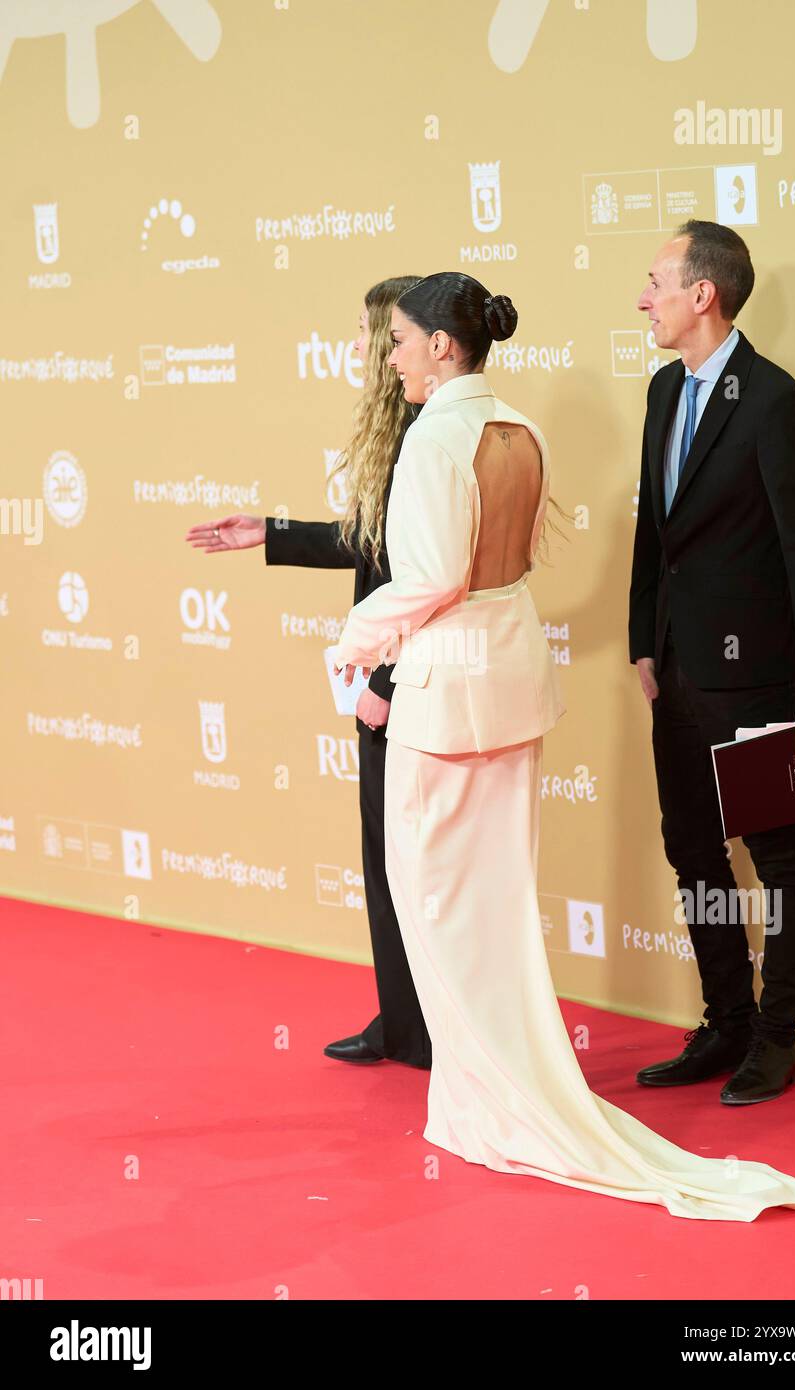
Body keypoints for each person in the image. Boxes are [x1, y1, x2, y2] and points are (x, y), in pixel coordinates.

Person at [330, 270, 795, 1221]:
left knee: (443, 906)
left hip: (462, 698)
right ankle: (520, 1084)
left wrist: (353, 646)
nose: (388, 357)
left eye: (397, 341)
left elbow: (436, 575)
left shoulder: (439, 436)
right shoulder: (520, 427)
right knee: (500, 906)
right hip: (520, 685)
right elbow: (542, 562)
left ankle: (507, 1096)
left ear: (444, 344)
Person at [185, 275, 432, 1070]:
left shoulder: (430, 436)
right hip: (391, 679)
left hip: (411, 682)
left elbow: (428, 579)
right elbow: (369, 543)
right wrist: (271, 531)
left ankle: (432, 1034)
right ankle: (404, 1024)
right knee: (385, 861)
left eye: (380, 337)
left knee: (413, 864)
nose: (368, 352)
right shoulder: (401, 432)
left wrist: (385, 684)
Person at [629, 220, 795, 1104]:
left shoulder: (771, 401)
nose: (642, 298)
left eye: (654, 282)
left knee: (777, 859)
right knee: (693, 851)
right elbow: (657, 528)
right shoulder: (657, 392)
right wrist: (644, 637)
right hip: (678, 672)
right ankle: (723, 1022)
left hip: (757, 677)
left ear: (702, 295)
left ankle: (774, 1035)